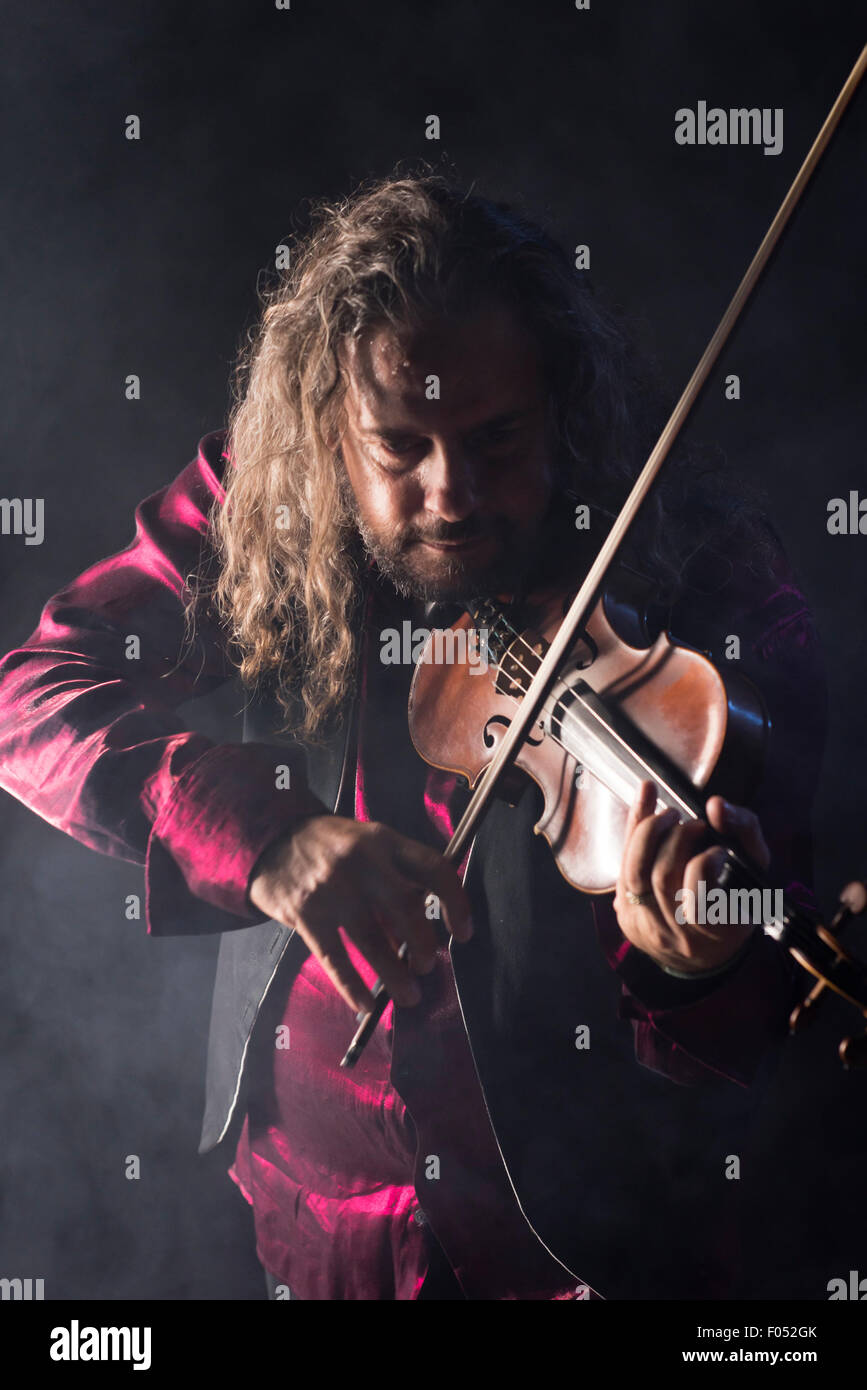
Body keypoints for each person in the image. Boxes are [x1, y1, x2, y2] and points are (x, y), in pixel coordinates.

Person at [0, 171, 826, 1300]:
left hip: (585, 1260)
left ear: (563, 405)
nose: (450, 493)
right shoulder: (270, 495)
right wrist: (268, 837)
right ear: (331, 432)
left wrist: (691, 963)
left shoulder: (712, 577)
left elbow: (738, 1039)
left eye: (497, 438)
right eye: (400, 446)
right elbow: (33, 690)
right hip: (315, 1228)